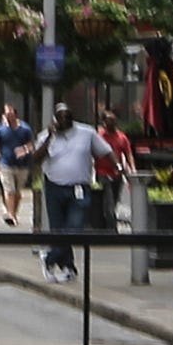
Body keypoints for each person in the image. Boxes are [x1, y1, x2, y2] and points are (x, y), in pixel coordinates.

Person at [25, 103, 106, 281]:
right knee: (58, 229)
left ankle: (50, 258)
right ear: (55, 119)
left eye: (67, 117)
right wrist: (50, 137)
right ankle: (67, 266)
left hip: (79, 187)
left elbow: (105, 151)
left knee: (74, 227)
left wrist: (118, 167)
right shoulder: (46, 136)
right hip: (54, 187)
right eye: (60, 118)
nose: (64, 121)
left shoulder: (87, 133)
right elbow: (36, 158)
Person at [0, 103, 36, 227]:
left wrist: (24, 149)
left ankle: (14, 212)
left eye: (10, 114)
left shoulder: (25, 129)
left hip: (22, 165)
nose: (8, 117)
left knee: (17, 192)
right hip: (6, 164)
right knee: (9, 190)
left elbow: (31, 144)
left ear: (15, 115)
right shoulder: (0, 130)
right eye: (6, 114)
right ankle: (10, 214)